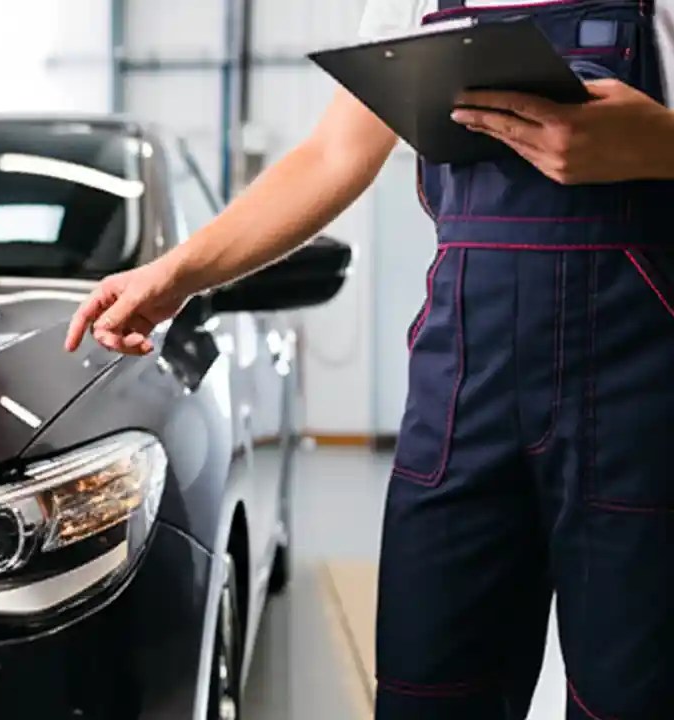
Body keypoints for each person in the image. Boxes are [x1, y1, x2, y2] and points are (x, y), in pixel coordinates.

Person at [64, 0, 674, 717]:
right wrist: (177, 274)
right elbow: (332, 155)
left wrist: (659, 144)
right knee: (428, 690)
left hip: (638, 398)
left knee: (633, 696)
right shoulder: (417, 3)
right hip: (460, 395)